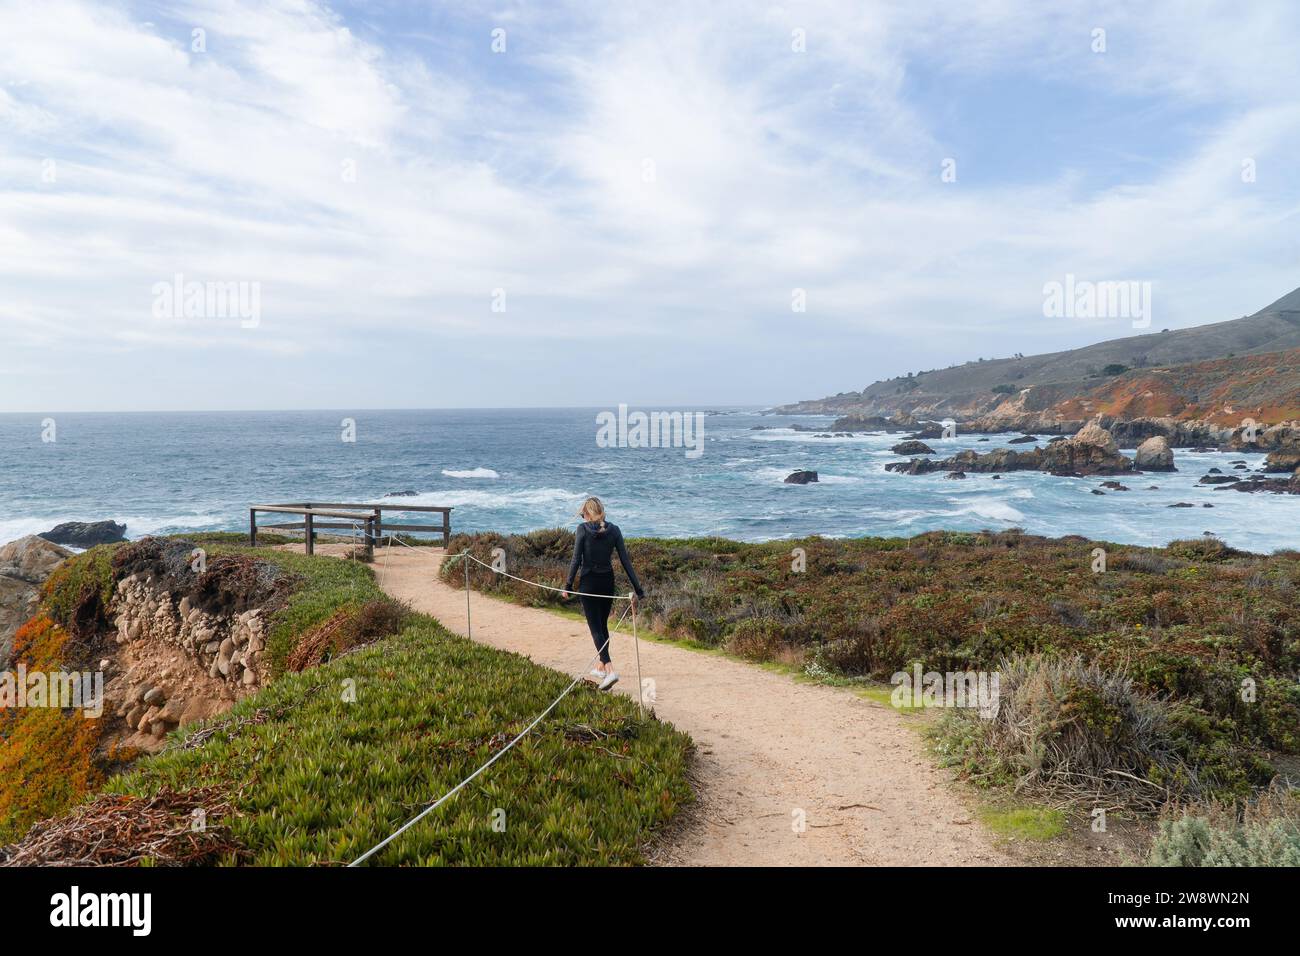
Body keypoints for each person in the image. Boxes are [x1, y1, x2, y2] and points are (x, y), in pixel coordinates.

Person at [561, 496, 645, 690]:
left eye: (583, 514)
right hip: (607, 583)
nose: (582, 517)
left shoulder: (582, 530)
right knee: (602, 626)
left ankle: (609, 669)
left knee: (595, 629)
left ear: (589, 513)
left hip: (589, 584)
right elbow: (626, 561)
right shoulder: (614, 530)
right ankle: (600, 665)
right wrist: (638, 589)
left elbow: (575, 560)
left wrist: (567, 586)